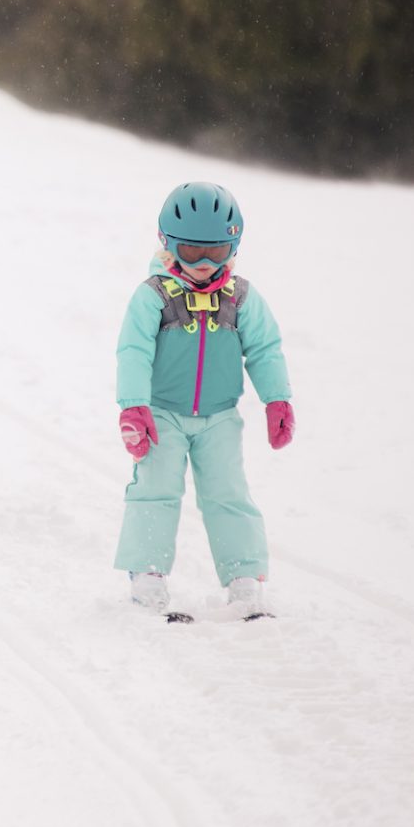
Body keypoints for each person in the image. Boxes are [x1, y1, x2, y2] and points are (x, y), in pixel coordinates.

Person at [113, 182, 295, 617]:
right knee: (155, 491)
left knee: (228, 495)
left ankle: (244, 579)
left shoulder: (240, 297)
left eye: (217, 252)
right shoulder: (153, 296)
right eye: (192, 252)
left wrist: (277, 399)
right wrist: (134, 405)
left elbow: (265, 348)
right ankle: (147, 575)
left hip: (220, 418)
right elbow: (133, 351)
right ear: (168, 244)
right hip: (162, 415)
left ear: (234, 247)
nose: (205, 264)